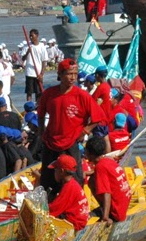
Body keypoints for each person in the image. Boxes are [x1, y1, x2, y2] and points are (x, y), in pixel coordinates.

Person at [38, 58, 105, 198]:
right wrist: (41, 133)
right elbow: (40, 113)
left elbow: (98, 117)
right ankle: (50, 204)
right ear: (60, 75)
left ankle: (76, 202)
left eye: (75, 74)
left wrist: (85, 131)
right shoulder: (49, 94)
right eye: (69, 74)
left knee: (75, 177)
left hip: (71, 143)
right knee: (47, 178)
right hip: (51, 142)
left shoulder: (82, 95)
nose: (73, 77)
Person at [84, 135, 132, 223]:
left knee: (91, 181)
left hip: (116, 212)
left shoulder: (100, 167)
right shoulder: (109, 160)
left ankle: (106, 212)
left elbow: (106, 193)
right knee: (93, 179)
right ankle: (105, 210)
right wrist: (87, 173)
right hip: (123, 205)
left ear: (90, 153)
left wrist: (105, 216)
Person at [48, 154, 90, 231]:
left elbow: (53, 210)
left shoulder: (69, 188)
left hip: (75, 224)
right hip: (81, 219)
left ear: (61, 171)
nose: (54, 173)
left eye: (55, 170)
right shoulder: (73, 183)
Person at [22, 29, 49, 102]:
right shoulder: (27, 46)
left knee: (39, 92)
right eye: (30, 36)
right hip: (29, 72)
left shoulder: (42, 46)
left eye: (32, 35)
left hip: (38, 73)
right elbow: (23, 58)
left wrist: (42, 74)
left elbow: (44, 61)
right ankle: (29, 106)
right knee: (29, 92)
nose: (30, 37)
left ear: (37, 36)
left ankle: (38, 106)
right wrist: (28, 52)